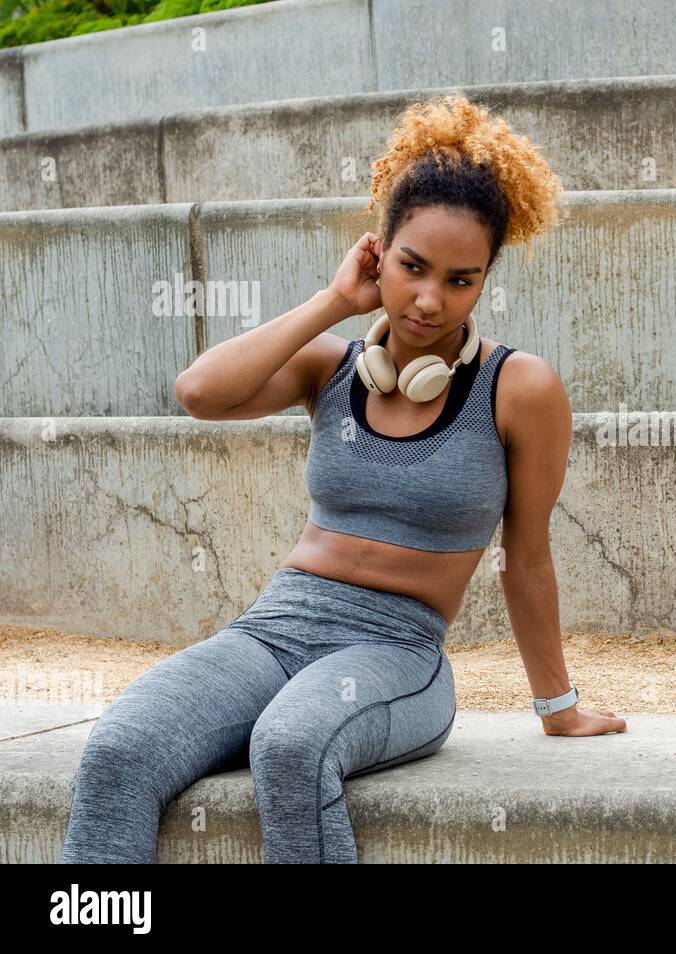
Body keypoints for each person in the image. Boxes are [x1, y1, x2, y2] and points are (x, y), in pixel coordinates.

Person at [60, 93, 627, 864]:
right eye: (411, 267)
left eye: (460, 281)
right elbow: (200, 393)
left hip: (398, 655)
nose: (429, 299)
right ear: (377, 251)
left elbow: (526, 556)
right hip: (273, 630)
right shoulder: (331, 365)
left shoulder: (519, 388)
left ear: (487, 277)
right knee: (119, 749)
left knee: (291, 746)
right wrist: (333, 301)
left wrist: (557, 706)